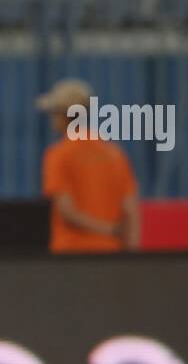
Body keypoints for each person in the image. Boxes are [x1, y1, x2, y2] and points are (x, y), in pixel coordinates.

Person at [37, 78, 141, 253]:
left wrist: (110, 229)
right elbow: (130, 210)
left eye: (54, 112)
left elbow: (67, 211)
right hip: (112, 252)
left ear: (64, 115)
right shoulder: (115, 155)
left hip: (71, 252)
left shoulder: (58, 155)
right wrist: (130, 250)